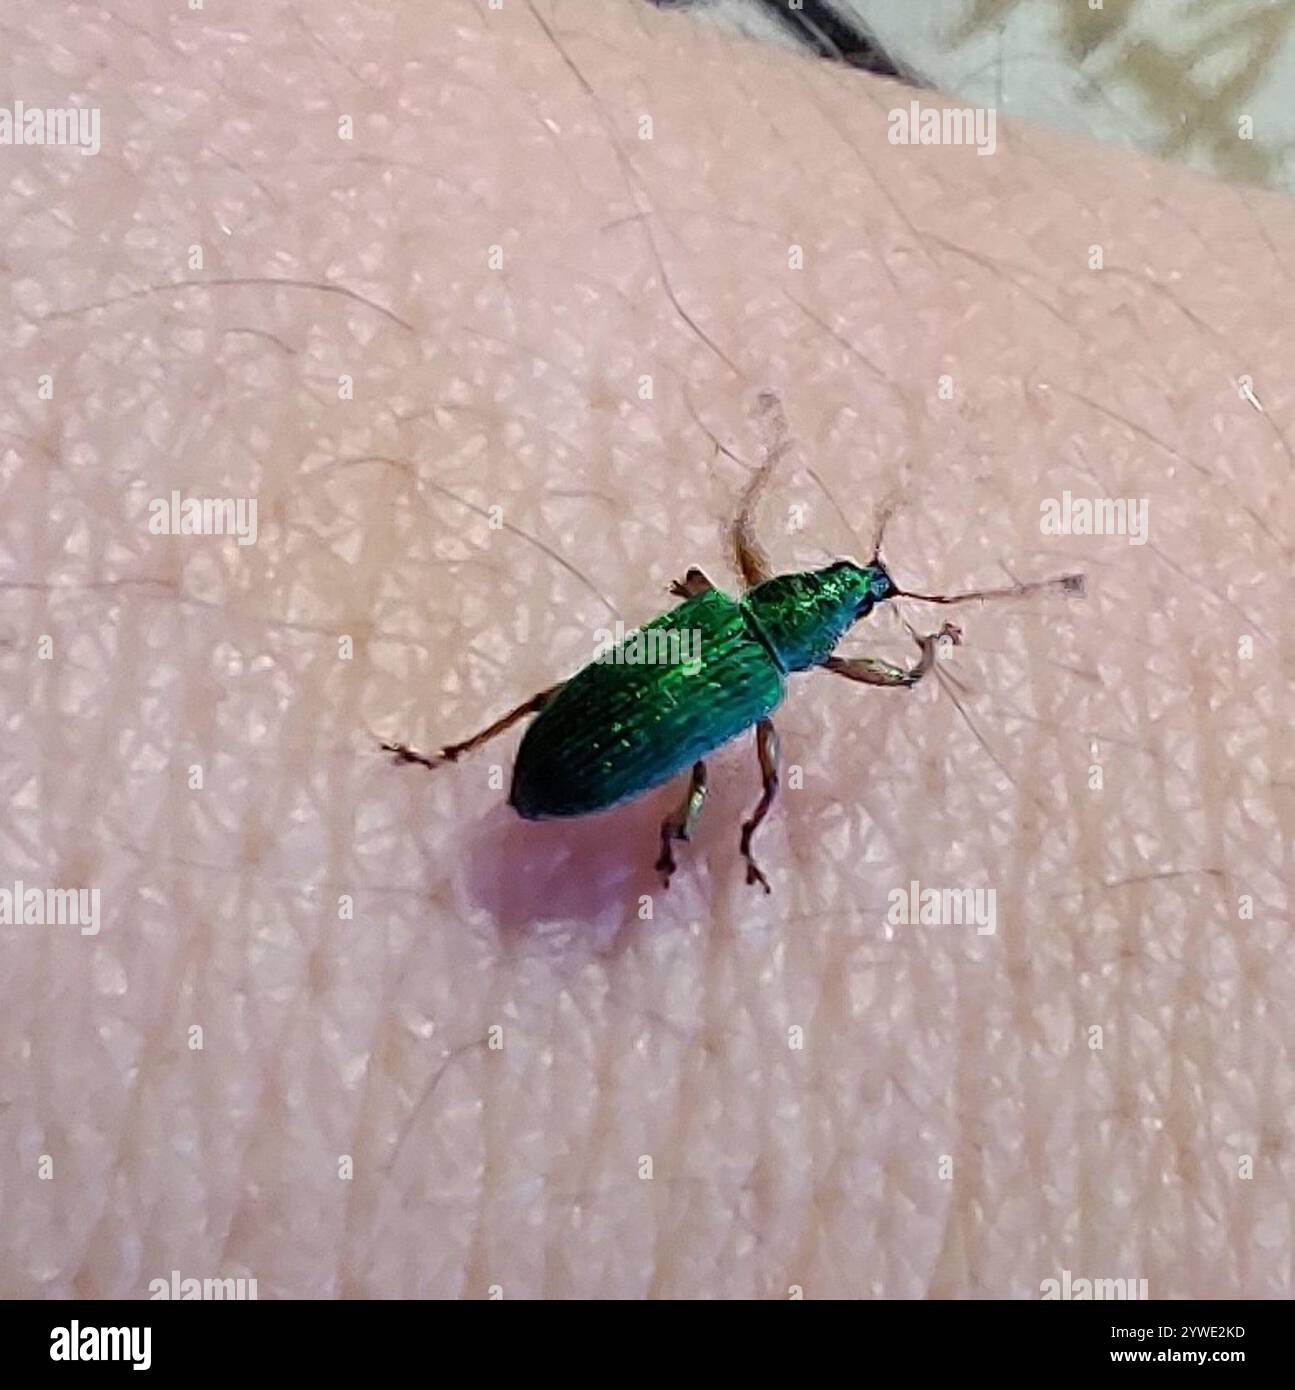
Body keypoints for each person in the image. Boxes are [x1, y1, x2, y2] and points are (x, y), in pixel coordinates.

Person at [5, 0, 1290, 1299]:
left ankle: (502, 762)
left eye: (848, 602)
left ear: (809, 615)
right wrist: (823, 744)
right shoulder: (759, 670)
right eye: (845, 595)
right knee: (696, 765)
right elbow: (773, 674)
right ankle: (613, 808)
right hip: (607, 743)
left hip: (615, 729)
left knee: (650, 742)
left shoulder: (745, 643)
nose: (850, 598)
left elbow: (745, 556)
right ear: (804, 608)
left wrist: (894, 636)